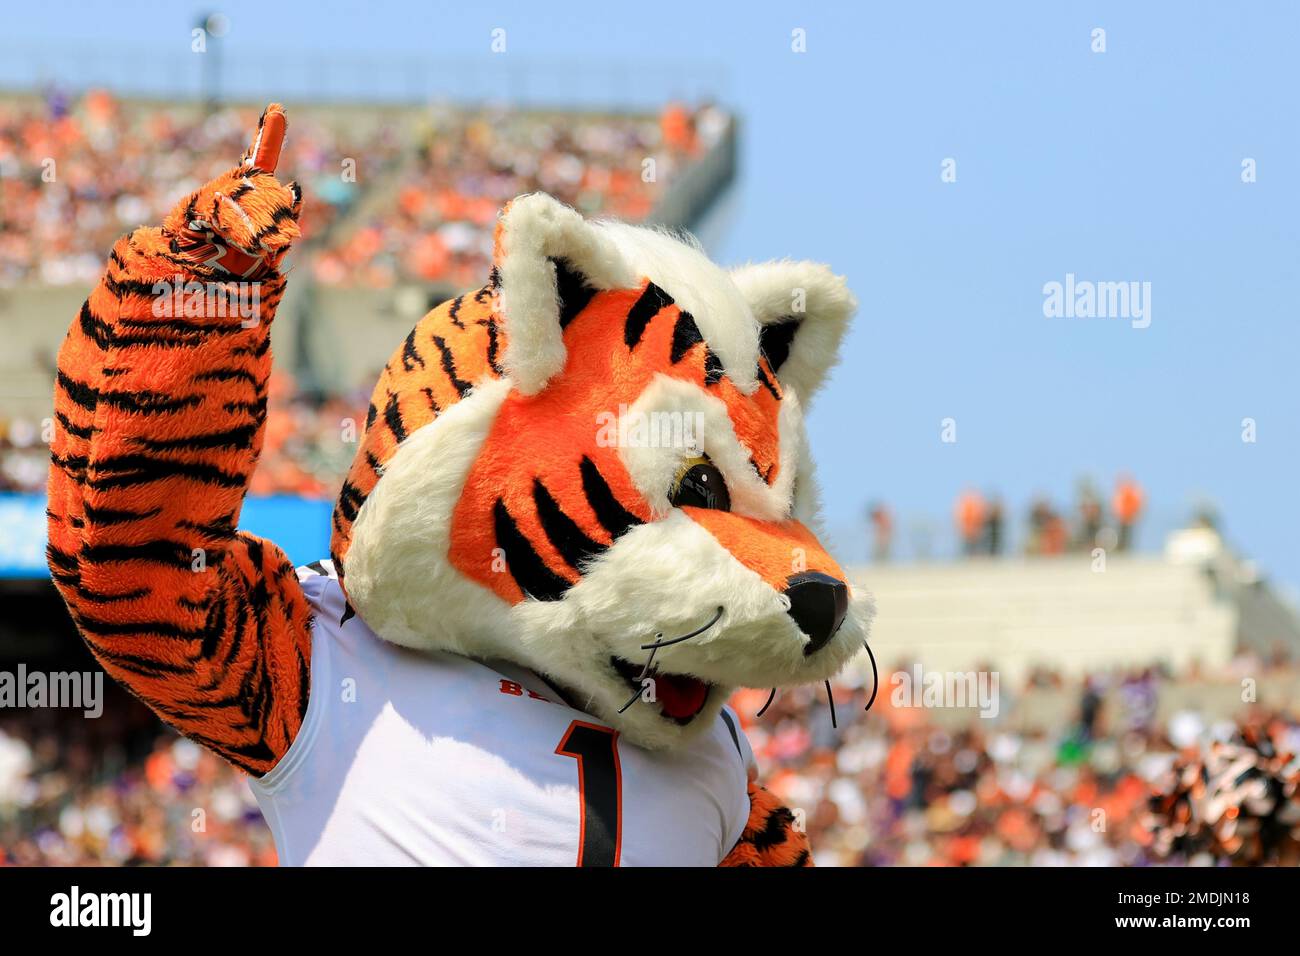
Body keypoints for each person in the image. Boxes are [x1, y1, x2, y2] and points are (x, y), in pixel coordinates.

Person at [1112, 474, 1145, 552]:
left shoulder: (1130, 492)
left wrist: (1134, 516)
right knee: (1122, 535)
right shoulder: (1122, 492)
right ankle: (1122, 549)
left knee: (1127, 535)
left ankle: (1125, 549)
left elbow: (1138, 505)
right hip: (1122, 519)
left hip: (1128, 519)